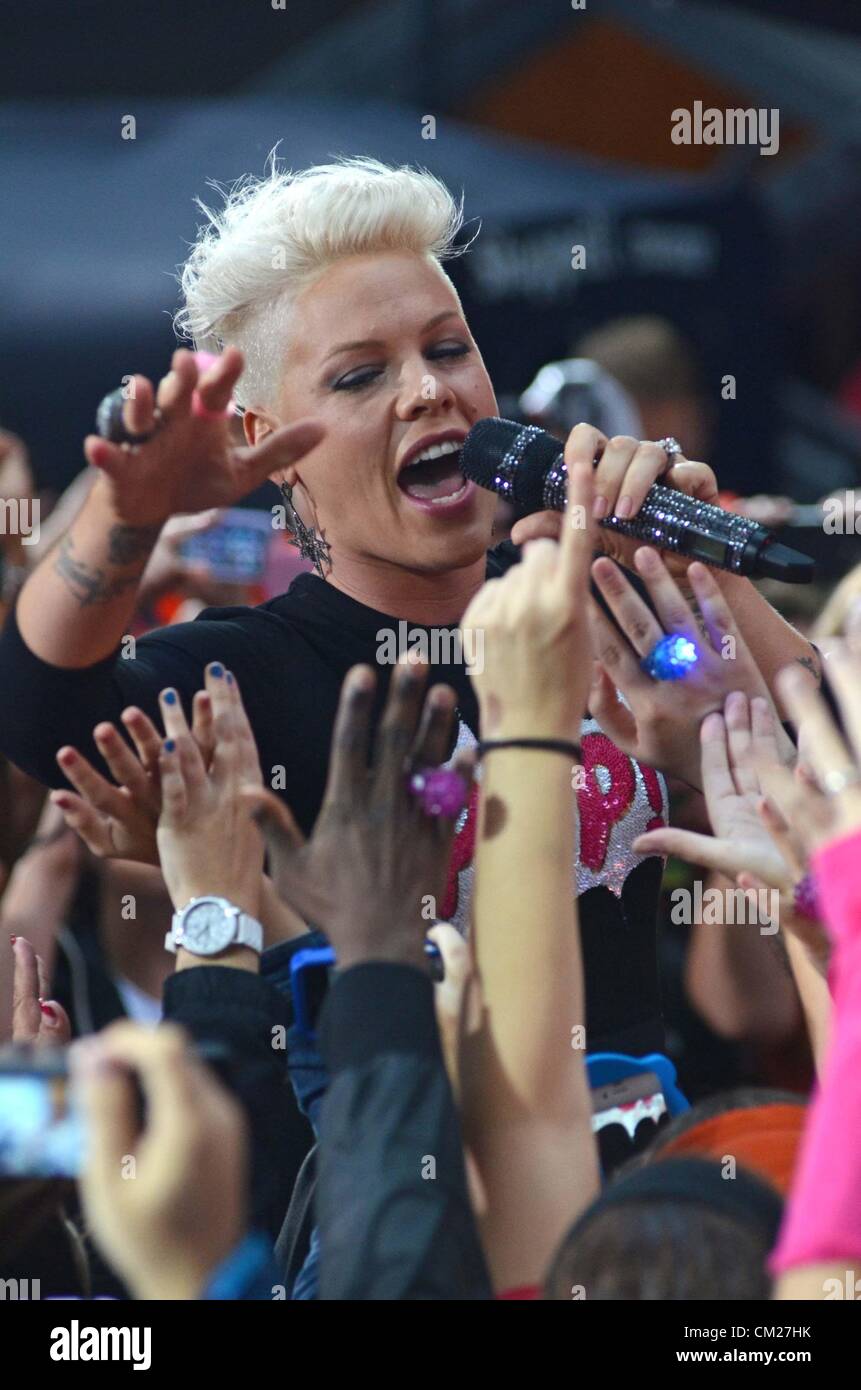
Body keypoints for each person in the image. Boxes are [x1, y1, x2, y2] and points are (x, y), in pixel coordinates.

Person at [0, 157, 819, 1056]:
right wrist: (129, 505)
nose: (428, 390)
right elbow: (43, 711)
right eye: (359, 376)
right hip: (418, 1175)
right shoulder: (249, 676)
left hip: (653, 1171)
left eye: (446, 348)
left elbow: (830, 759)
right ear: (264, 441)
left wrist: (702, 567)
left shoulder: (592, 594)